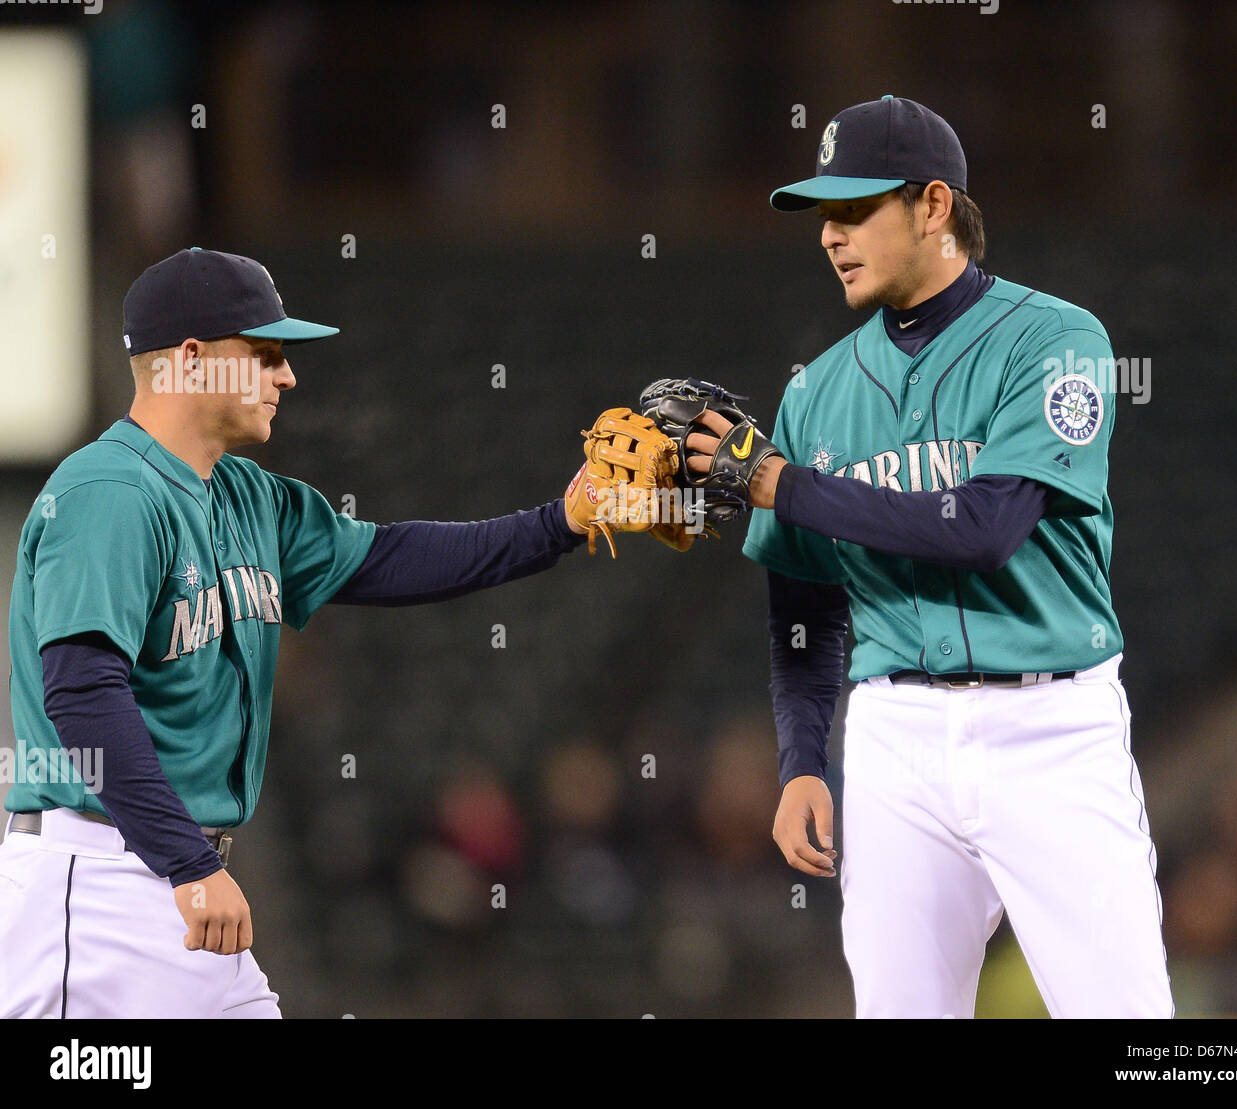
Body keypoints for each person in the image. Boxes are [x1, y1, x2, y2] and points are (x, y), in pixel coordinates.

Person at [0, 247, 652, 1018]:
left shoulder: (250, 498)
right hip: (98, 879)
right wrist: (185, 862)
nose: (288, 376)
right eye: (266, 354)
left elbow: (395, 558)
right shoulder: (107, 493)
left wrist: (562, 521)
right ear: (191, 358)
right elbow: (79, 694)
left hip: (174, 881)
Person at [686, 97, 1173, 1017]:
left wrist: (782, 483)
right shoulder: (817, 393)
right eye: (823, 216)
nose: (831, 236)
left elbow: (984, 530)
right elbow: (803, 603)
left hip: (1051, 733)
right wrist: (799, 762)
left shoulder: (1055, 340)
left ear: (934, 206)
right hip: (891, 741)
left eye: (855, 209)